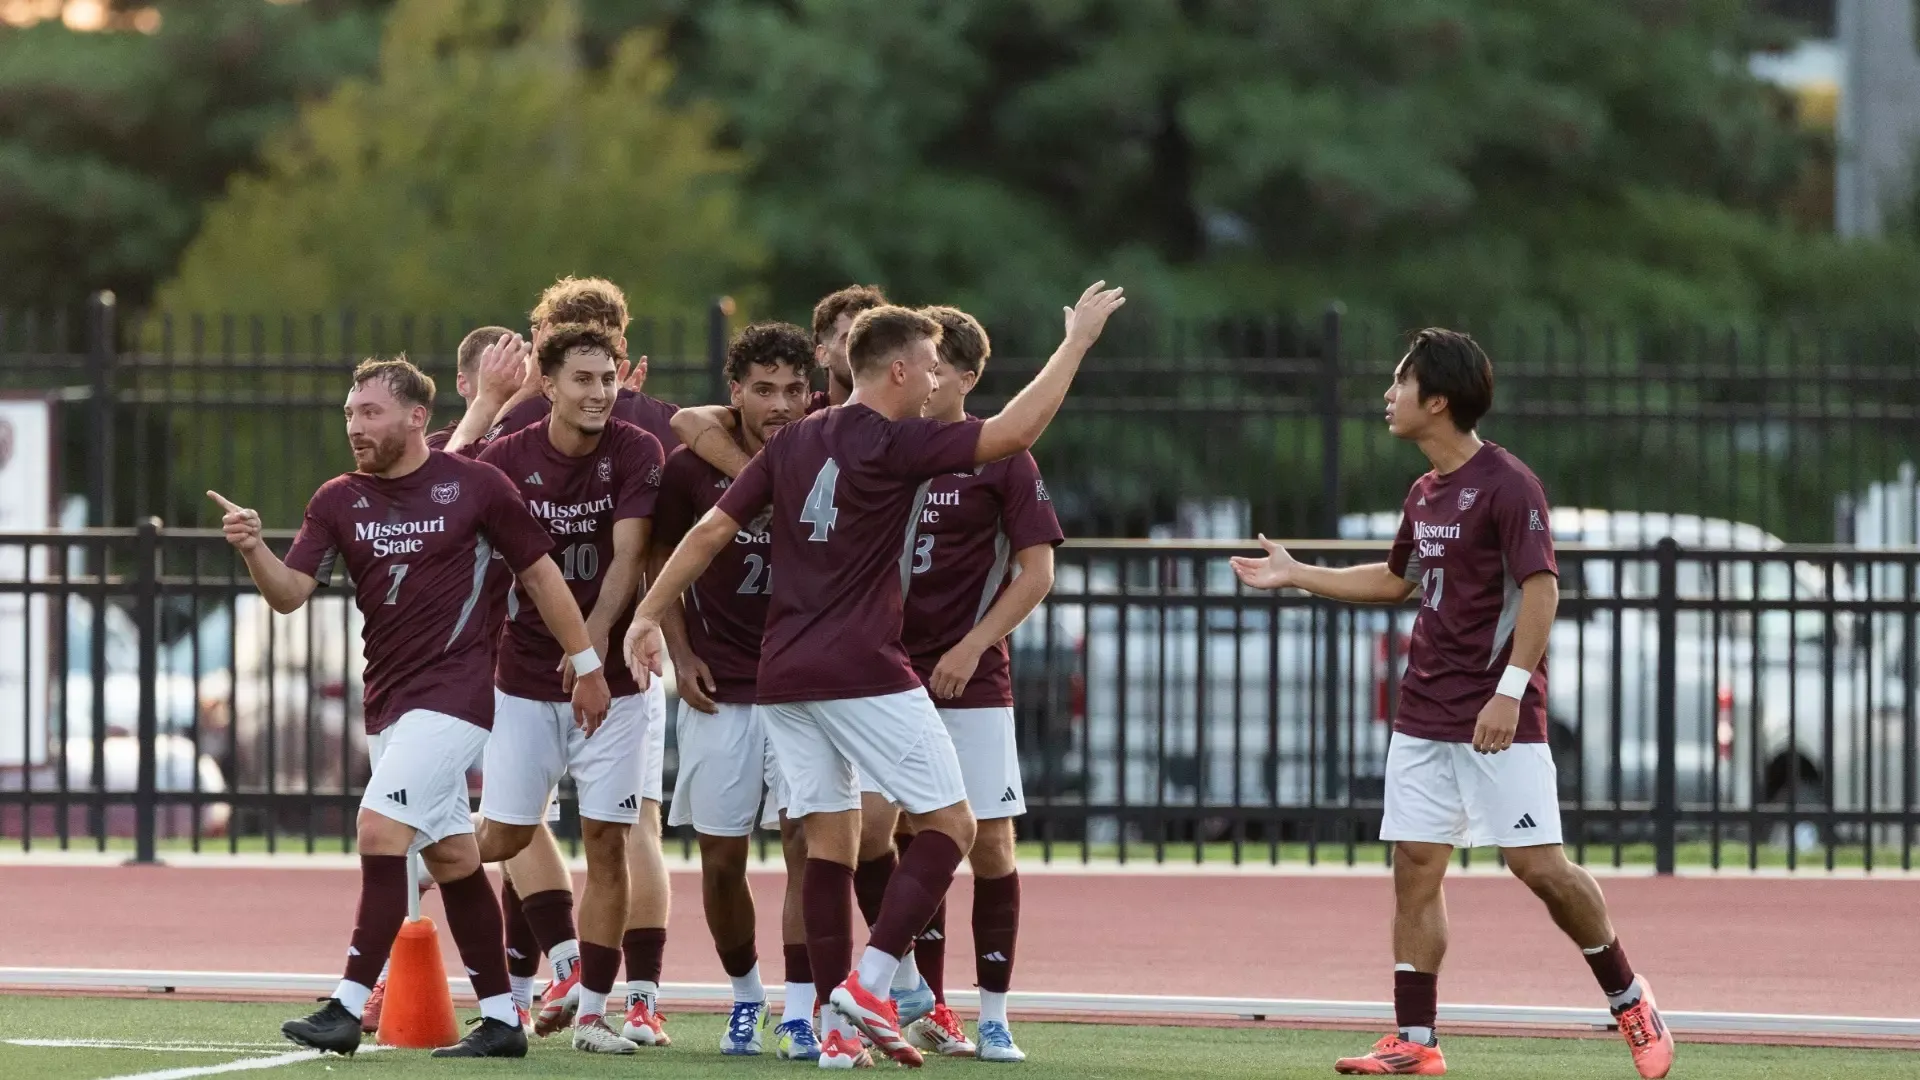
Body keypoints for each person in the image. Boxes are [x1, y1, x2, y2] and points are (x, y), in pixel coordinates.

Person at [626, 284, 1125, 1070]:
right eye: (927, 367)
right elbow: (1014, 430)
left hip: (782, 674)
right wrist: (1077, 344)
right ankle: (871, 982)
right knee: (953, 826)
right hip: (861, 667)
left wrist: (647, 614)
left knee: (828, 844)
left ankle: (831, 1030)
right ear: (896, 371)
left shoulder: (793, 443)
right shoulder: (895, 441)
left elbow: (712, 529)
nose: (936, 381)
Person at [1229, 329, 1674, 1079]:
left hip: (1497, 715)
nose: (1387, 396)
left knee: (1539, 869)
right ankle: (1416, 1038)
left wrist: (1507, 692)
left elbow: (1543, 588)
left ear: (1437, 400)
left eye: (1399, 383)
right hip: (1424, 710)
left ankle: (1630, 996)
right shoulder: (1424, 491)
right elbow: (1398, 580)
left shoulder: (1509, 483)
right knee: (1416, 863)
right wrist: (1298, 573)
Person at [212, 357, 610, 1060]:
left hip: (455, 698)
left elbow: (542, 575)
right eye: (349, 414)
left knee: (378, 830)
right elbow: (288, 593)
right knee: (454, 856)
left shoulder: (478, 485)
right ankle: (500, 1019)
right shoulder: (336, 499)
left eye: (369, 412)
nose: (355, 426)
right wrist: (252, 549)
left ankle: (345, 1003)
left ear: (416, 417)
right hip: (387, 704)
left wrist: (586, 666)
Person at [449, 282, 679, 1046]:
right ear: (547, 385)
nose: (599, 391)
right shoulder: (508, 455)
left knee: (612, 840)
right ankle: (406, 874)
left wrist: (595, 653)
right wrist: (482, 405)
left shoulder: (638, 447)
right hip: (522, 679)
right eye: (582, 378)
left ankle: (595, 1014)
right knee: (504, 839)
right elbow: (435, 494)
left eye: (608, 377)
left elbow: (627, 558)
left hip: (617, 684)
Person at [883, 306, 1062, 1063]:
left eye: (935, 366)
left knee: (989, 844)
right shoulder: (886, 444)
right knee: (899, 837)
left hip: (972, 678)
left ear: (966, 375)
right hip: (884, 676)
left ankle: (995, 1015)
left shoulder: (1003, 459)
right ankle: (928, 1003)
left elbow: (1037, 572)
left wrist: (971, 645)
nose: (921, 379)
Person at [652, 321, 819, 1059]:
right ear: (736, 393)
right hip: (721, 685)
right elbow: (663, 552)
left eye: (793, 389)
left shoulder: (831, 448)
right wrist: (677, 651)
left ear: (811, 392)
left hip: (809, 688)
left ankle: (803, 1007)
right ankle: (747, 994)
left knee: (808, 847)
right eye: (764, 389)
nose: (779, 404)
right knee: (720, 859)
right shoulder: (693, 464)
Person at [668, 284, 888, 475]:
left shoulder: (905, 417)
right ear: (822, 354)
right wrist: (757, 484)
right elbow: (687, 420)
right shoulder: (803, 415)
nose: (866, 353)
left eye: (878, 342)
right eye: (851, 341)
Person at [426, 326, 515, 450]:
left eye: (523, 374)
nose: (514, 384)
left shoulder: (538, 435)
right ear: (463, 385)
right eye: (497, 375)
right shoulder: (439, 444)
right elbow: (451, 464)